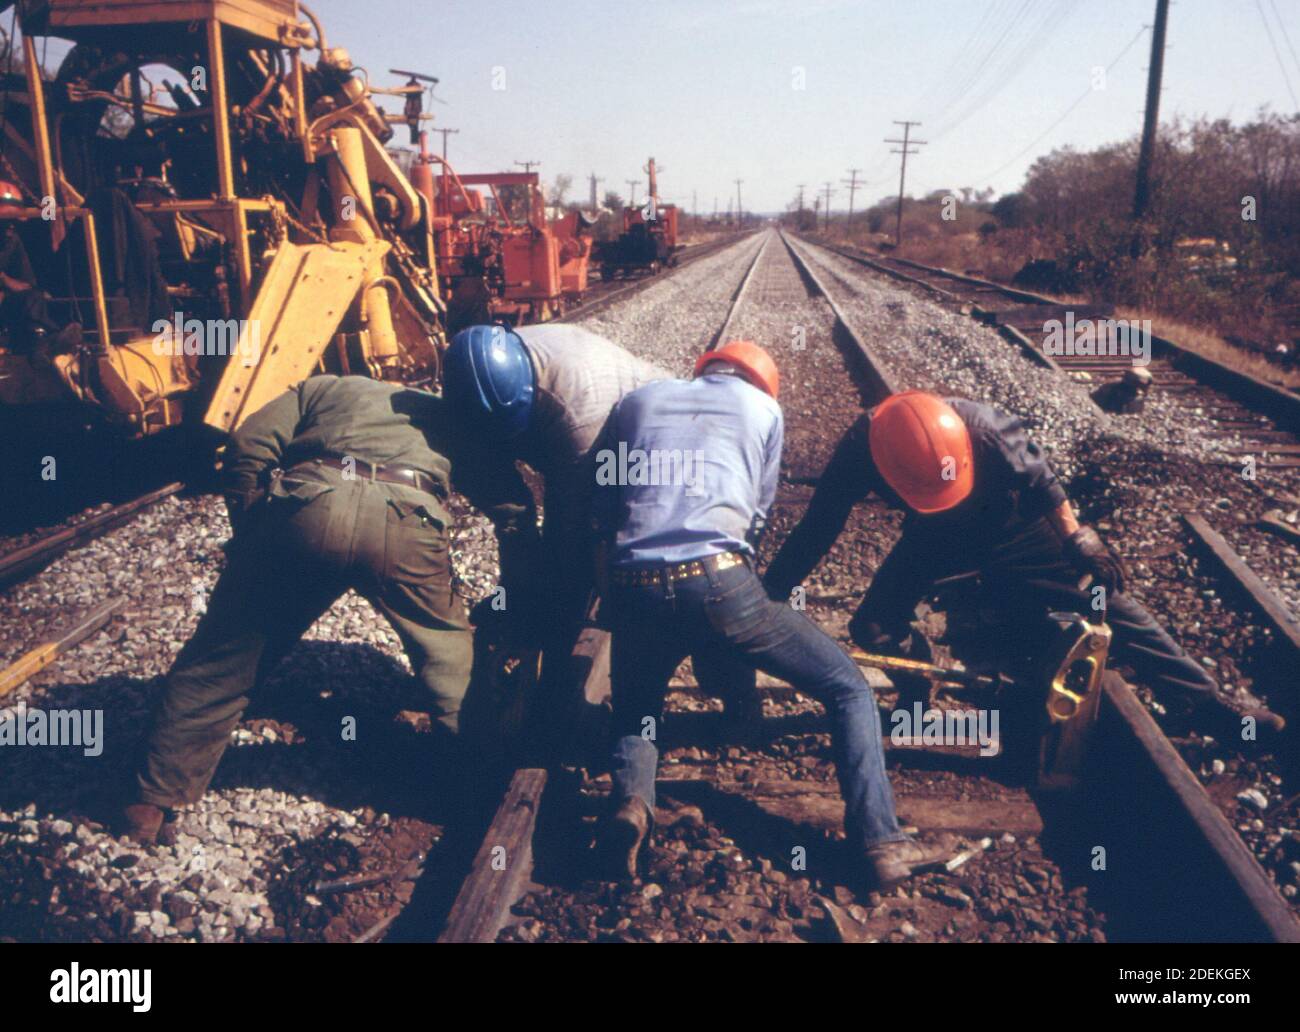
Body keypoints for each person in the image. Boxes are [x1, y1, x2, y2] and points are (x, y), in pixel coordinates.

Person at [121, 374, 540, 843]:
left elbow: (247, 446)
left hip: (307, 505)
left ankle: (152, 801)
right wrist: (520, 583)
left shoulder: (318, 388)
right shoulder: (441, 411)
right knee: (449, 660)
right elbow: (511, 502)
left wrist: (254, 529)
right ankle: (478, 793)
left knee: (222, 657)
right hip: (407, 519)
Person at [593, 341, 951, 889]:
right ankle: (883, 842)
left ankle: (630, 806)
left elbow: (608, 498)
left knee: (637, 711)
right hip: (717, 579)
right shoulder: (764, 410)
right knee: (847, 688)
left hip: (632, 580)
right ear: (760, 384)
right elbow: (755, 518)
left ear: (705, 370)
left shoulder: (638, 400)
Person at [763, 390, 1284, 739]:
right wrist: (772, 592)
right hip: (934, 531)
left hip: (1011, 523)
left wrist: (1080, 541)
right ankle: (919, 689)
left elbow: (1045, 484)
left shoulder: (986, 429)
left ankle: (1207, 704)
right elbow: (820, 526)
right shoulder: (861, 449)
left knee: (1105, 602)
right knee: (872, 624)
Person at [441, 323, 672, 740]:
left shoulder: (579, 410)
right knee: (540, 556)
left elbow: (569, 521)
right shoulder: (471, 370)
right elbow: (511, 509)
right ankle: (527, 607)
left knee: (588, 540)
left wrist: (550, 608)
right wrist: (516, 586)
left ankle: (559, 661)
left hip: (641, 441)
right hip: (561, 422)